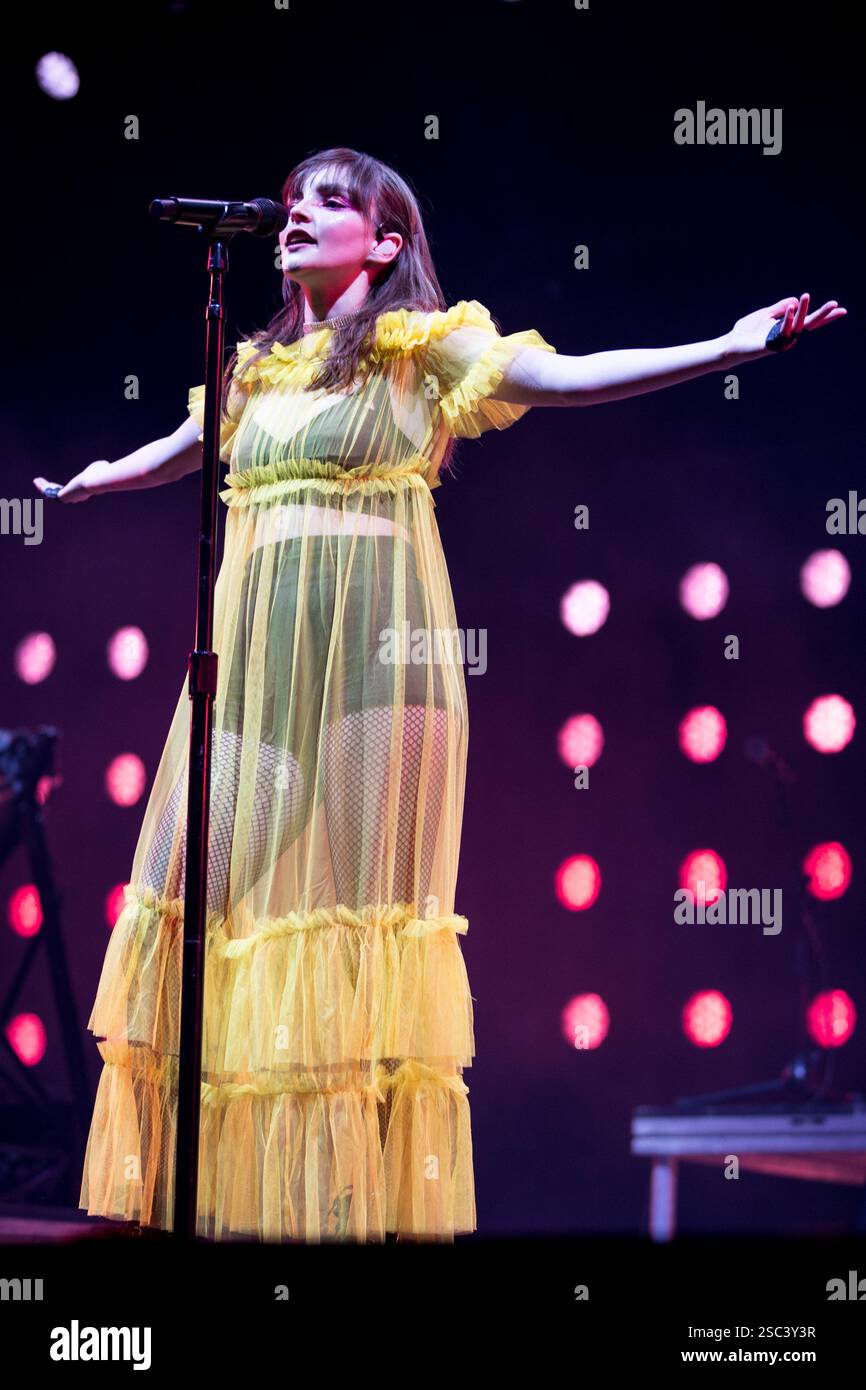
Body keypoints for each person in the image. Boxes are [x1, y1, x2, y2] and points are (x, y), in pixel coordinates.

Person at [33, 146, 845, 1244]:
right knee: (188, 889)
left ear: (386, 240)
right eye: (289, 203)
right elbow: (188, 446)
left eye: (328, 202)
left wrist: (728, 346)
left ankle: (339, 1212)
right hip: (257, 680)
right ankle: (212, 1203)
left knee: (363, 931)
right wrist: (97, 477)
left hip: (379, 673)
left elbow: (562, 378)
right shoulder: (252, 366)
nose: (294, 218)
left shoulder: (422, 343)